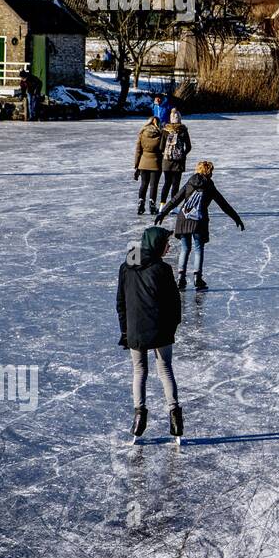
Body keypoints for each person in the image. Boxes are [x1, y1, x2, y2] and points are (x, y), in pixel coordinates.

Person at [117, 225, 183, 441]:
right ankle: (175, 419)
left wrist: (125, 331)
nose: (169, 247)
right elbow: (175, 303)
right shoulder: (162, 269)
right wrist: (173, 326)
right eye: (166, 243)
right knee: (165, 368)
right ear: (156, 244)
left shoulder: (127, 266)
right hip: (160, 328)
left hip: (135, 329)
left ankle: (139, 418)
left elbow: (121, 303)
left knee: (139, 371)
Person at [155, 159, 245, 291]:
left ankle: (181, 279)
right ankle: (197, 278)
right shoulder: (209, 185)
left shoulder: (190, 182)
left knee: (185, 249)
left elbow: (176, 199)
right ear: (209, 172)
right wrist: (236, 218)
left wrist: (162, 213)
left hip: (184, 219)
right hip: (199, 221)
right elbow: (223, 204)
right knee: (198, 249)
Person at [157, 109, 192, 216]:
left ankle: (162, 206)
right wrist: (182, 155)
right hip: (179, 162)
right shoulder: (183, 130)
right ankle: (174, 207)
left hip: (167, 161)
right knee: (175, 185)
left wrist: (167, 154)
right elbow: (189, 147)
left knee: (167, 183)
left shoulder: (165, 130)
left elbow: (161, 147)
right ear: (179, 119)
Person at [133, 116, 164, 216]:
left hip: (143, 163)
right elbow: (162, 149)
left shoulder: (142, 134)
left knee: (144, 184)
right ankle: (152, 204)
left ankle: (141, 201)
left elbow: (138, 151)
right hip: (155, 163)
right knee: (153, 185)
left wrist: (136, 165)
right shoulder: (160, 134)